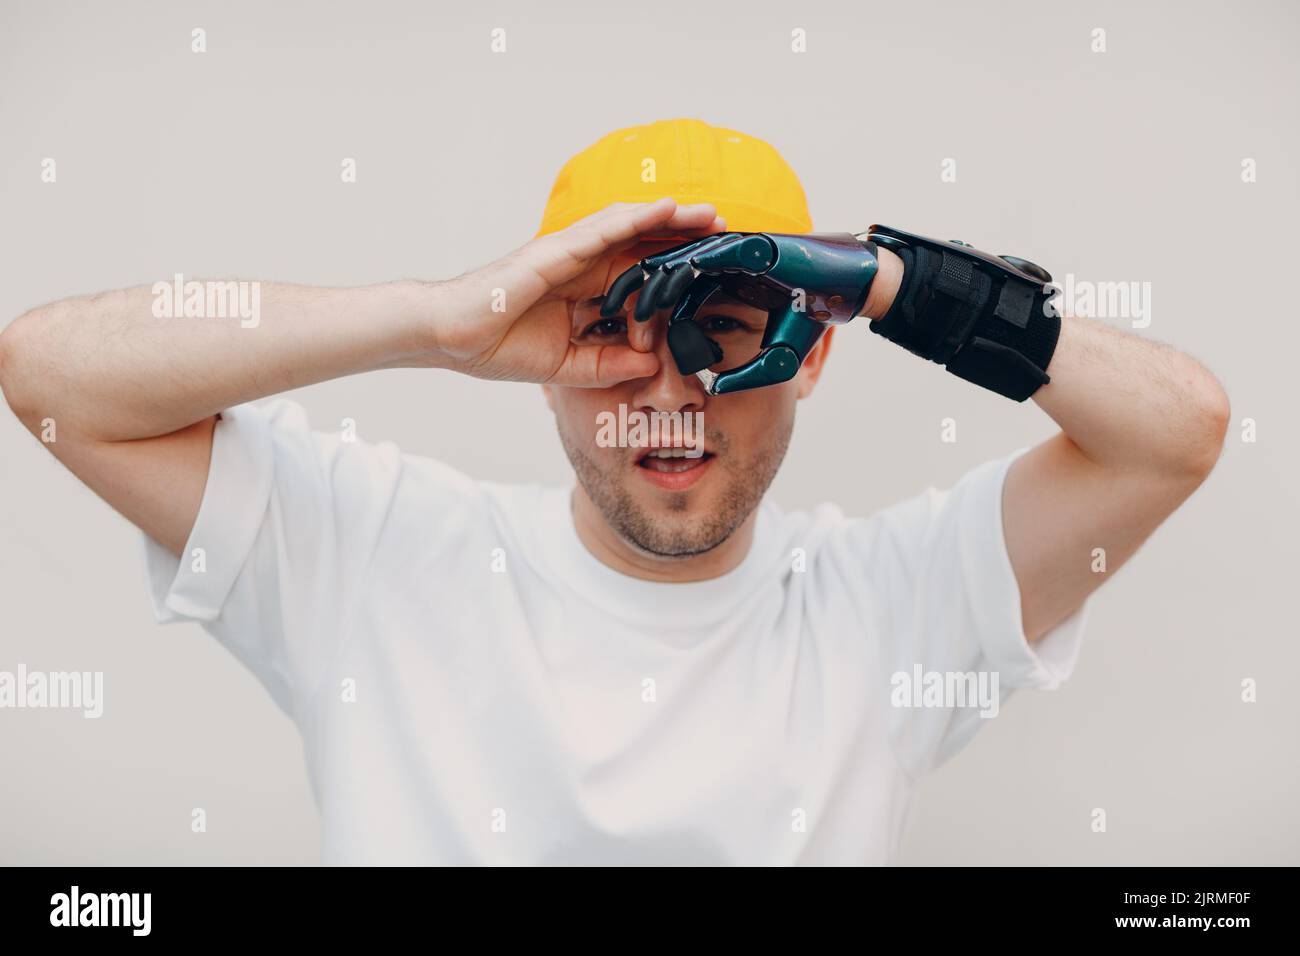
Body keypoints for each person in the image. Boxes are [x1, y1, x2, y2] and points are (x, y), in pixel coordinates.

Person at [0, 118, 1229, 865]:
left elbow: (1174, 432)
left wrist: (895, 279)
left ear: (811, 351)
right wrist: (437, 319)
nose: (668, 390)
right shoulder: (373, 554)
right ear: (538, 353)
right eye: (611, 332)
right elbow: (52, 373)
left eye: (724, 330)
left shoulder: (891, 604)